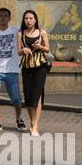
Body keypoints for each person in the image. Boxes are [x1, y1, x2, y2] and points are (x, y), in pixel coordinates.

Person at [0, 6, 24, 131]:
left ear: (9, 18)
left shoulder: (16, 30)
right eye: (0, 15)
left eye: (5, 15)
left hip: (12, 69)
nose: (3, 18)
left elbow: (28, 29)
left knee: (16, 98)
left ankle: (18, 119)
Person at [19, 9, 51, 137]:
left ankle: (36, 126)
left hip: (40, 67)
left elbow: (48, 49)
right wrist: (24, 50)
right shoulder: (20, 34)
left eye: (31, 18)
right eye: (26, 18)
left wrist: (40, 47)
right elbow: (18, 51)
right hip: (27, 67)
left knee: (37, 95)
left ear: (35, 19)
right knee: (28, 97)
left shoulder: (42, 33)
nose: (28, 21)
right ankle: (32, 121)